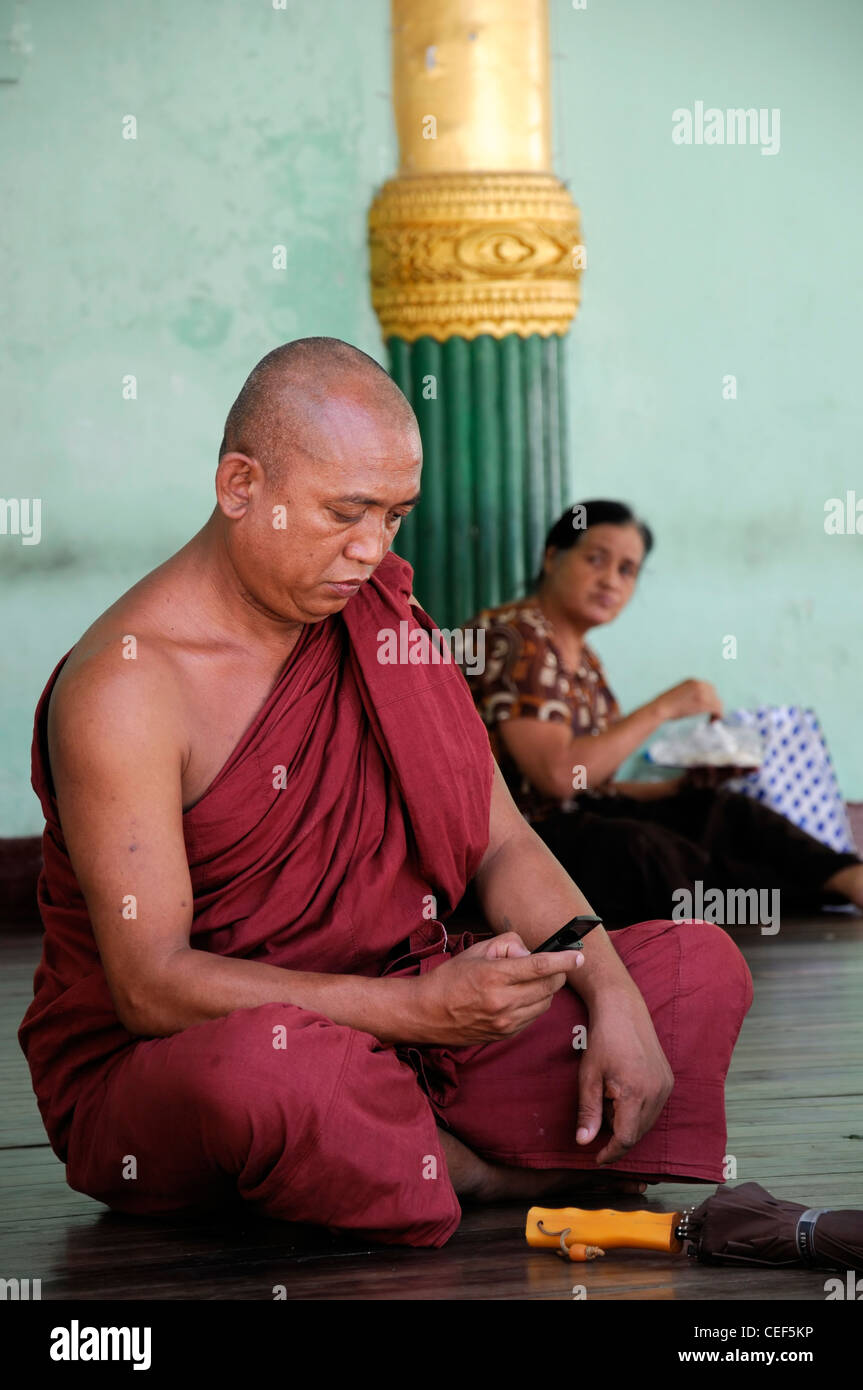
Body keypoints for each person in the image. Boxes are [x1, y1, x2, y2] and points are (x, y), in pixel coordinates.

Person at [20, 348, 752, 1250]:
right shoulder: (127, 685)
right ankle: (478, 1169)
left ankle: (413, 1152)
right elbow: (150, 986)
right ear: (240, 485)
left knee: (693, 971)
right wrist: (417, 1013)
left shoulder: (382, 621)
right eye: (344, 513)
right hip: (190, 1059)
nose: (372, 550)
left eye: (394, 515)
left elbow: (501, 843)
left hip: (414, 1021)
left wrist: (611, 1000)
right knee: (262, 1079)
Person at [462, 500, 863, 928]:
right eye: (596, 559)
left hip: (576, 817)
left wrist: (679, 787)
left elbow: (595, 785)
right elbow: (558, 777)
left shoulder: (586, 661)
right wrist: (663, 708)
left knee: (719, 809)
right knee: (642, 850)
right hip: (516, 841)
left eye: (627, 570)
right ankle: (791, 899)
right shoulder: (516, 636)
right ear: (552, 557)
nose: (610, 581)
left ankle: (847, 878)